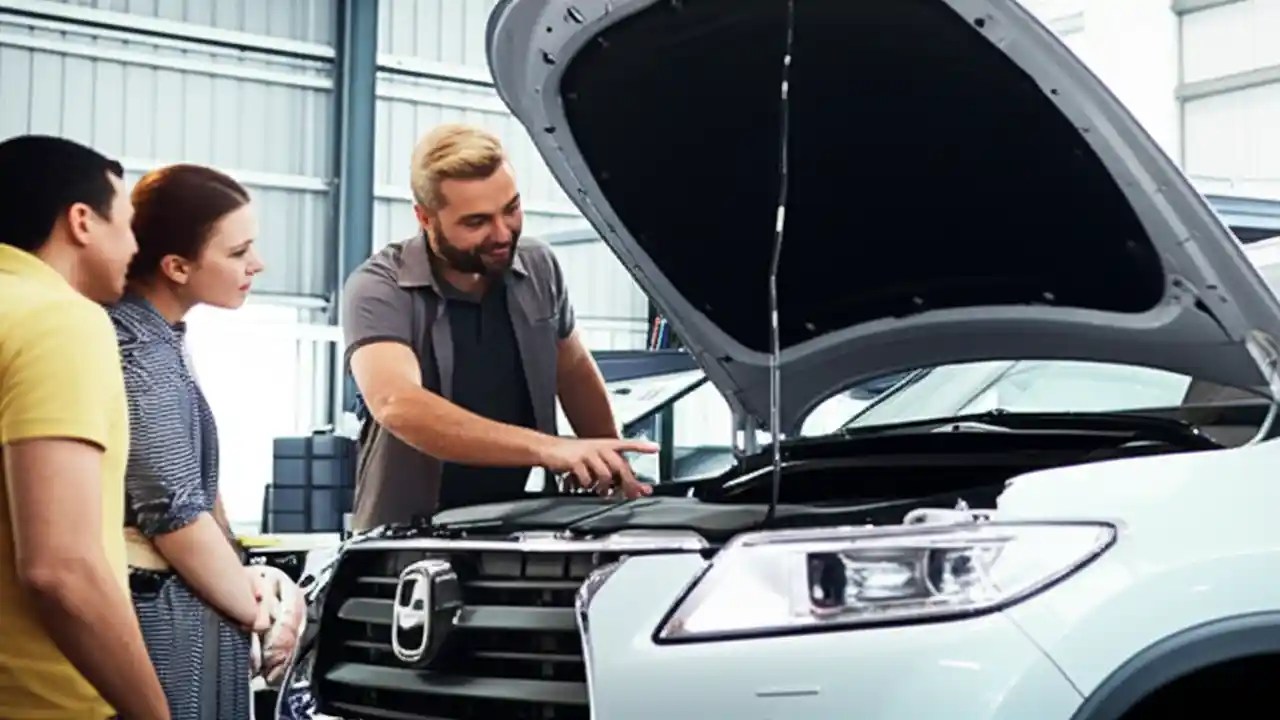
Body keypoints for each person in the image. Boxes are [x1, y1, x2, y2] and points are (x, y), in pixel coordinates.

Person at [343, 123, 658, 530]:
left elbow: (573, 369)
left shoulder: (539, 267)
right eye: (476, 222)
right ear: (425, 218)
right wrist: (548, 448)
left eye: (511, 209)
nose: (502, 233)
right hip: (409, 533)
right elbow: (397, 403)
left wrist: (610, 464)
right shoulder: (379, 287)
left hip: (517, 524)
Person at [0, 135, 169, 719]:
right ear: (81, 222)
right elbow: (60, 568)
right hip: (38, 702)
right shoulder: (58, 321)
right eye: (126, 224)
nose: (135, 246)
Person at [106, 163, 268, 719]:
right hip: (160, 623)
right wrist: (261, 614)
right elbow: (172, 511)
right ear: (176, 266)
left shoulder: (163, 339)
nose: (257, 264)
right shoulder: (138, 349)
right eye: (238, 252)